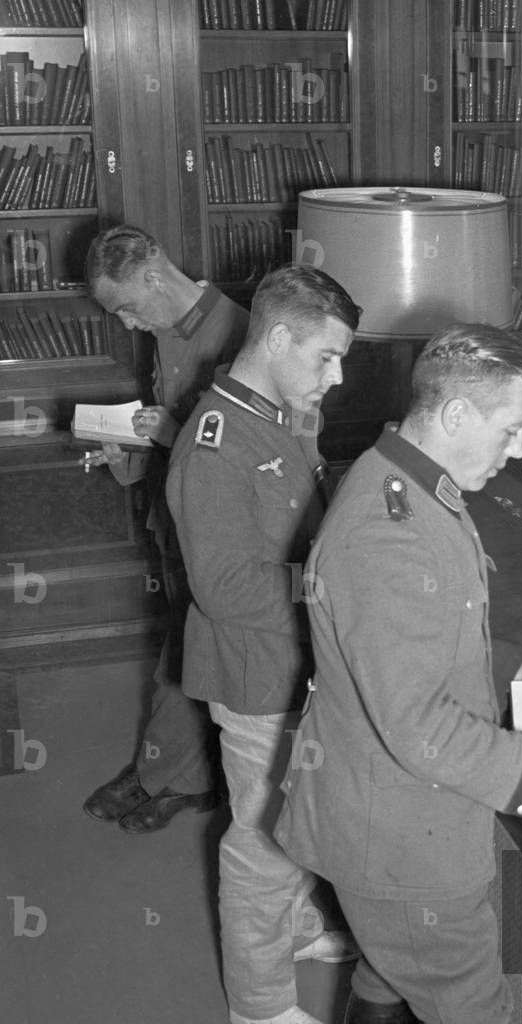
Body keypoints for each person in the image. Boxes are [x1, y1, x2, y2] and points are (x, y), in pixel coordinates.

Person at [273, 323, 522, 1024]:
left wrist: (509, 666)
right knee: (474, 1008)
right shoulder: (387, 531)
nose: (520, 449)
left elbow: (412, 636)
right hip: (404, 843)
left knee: (387, 980)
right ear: (454, 415)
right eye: (510, 429)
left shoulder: (404, 479)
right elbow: (419, 729)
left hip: (383, 818)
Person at [165, 265, 362, 1024]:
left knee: (302, 815)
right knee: (262, 839)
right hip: (255, 678)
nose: (336, 377)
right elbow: (225, 589)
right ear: (278, 338)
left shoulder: (266, 414)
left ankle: (299, 929)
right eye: (326, 357)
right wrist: (327, 587)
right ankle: (259, 1003)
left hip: (291, 667)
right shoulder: (217, 442)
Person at [81, 224, 249, 834]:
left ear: (153, 278)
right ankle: (185, 778)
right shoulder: (168, 326)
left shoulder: (236, 331)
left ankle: (168, 778)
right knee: (184, 649)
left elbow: (253, 450)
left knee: (188, 654)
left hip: (218, 530)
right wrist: (126, 450)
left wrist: (169, 434)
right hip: (174, 519)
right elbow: (171, 426)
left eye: (126, 308)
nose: (127, 325)